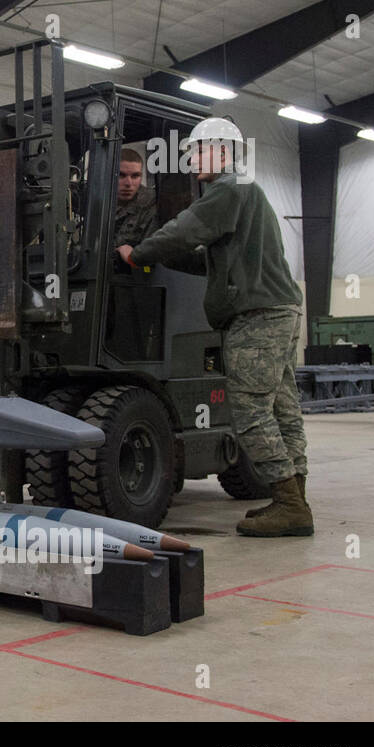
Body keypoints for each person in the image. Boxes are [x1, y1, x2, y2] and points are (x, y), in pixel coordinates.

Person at [117, 117, 311, 537]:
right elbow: (205, 257)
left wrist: (139, 253)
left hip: (256, 315)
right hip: (278, 309)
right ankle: (292, 499)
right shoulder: (243, 194)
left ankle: (291, 504)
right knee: (282, 407)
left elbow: (187, 229)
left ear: (223, 151)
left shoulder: (229, 188)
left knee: (250, 410)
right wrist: (160, 256)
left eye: (198, 151)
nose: (190, 159)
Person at [112, 146, 158, 247]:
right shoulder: (97, 195)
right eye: (121, 175)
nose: (128, 183)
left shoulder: (149, 203)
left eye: (135, 176)